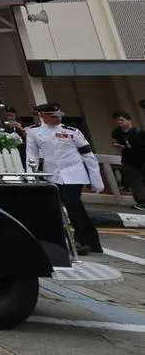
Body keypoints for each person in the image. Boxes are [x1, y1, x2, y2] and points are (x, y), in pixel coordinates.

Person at [26, 102, 103, 254]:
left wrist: (96, 180)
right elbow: (32, 155)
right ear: (42, 115)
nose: (58, 119)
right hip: (52, 175)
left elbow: (88, 155)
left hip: (74, 174)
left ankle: (83, 240)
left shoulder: (72, 131)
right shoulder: (34, 132)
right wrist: (31, 176)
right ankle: (73, 241)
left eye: (59, 115)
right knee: (55, 208)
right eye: (53, 116)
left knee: (72, 203)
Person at [111, 111, 145, 210]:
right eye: (117, 120)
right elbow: (114, 141)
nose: (119, 122)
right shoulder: (116, 132)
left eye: (121, 120)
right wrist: (116, 145)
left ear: (129, 120)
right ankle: (142, 202)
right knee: (134, 181)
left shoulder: (139, 132)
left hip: (141, 159)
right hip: (128, 160)